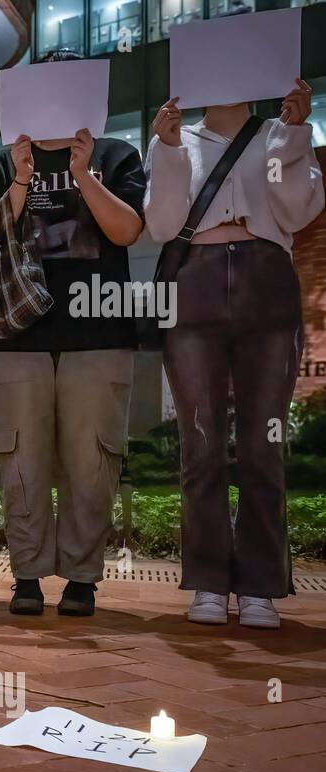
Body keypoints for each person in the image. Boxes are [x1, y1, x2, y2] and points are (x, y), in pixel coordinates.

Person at [0, 49, 146, 617]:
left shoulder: (118, 154)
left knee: (90, 459)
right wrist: (21, 180)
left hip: (99, 327)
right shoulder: (2, 161)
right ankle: (27, 574)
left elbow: (126, 232)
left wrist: (80, 174)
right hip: (15, 333)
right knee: (20, 456)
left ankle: (82, 578)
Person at [144, 79, 323, 629]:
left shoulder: (278, 134)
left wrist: (294, 135)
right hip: (193, 282)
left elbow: (296, 212)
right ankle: (209, 581)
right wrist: (168, 150)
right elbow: (162, 225)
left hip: (266, 280)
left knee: (262, 442)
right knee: (199, 442)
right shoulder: (176, 139)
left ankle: (260, 586)